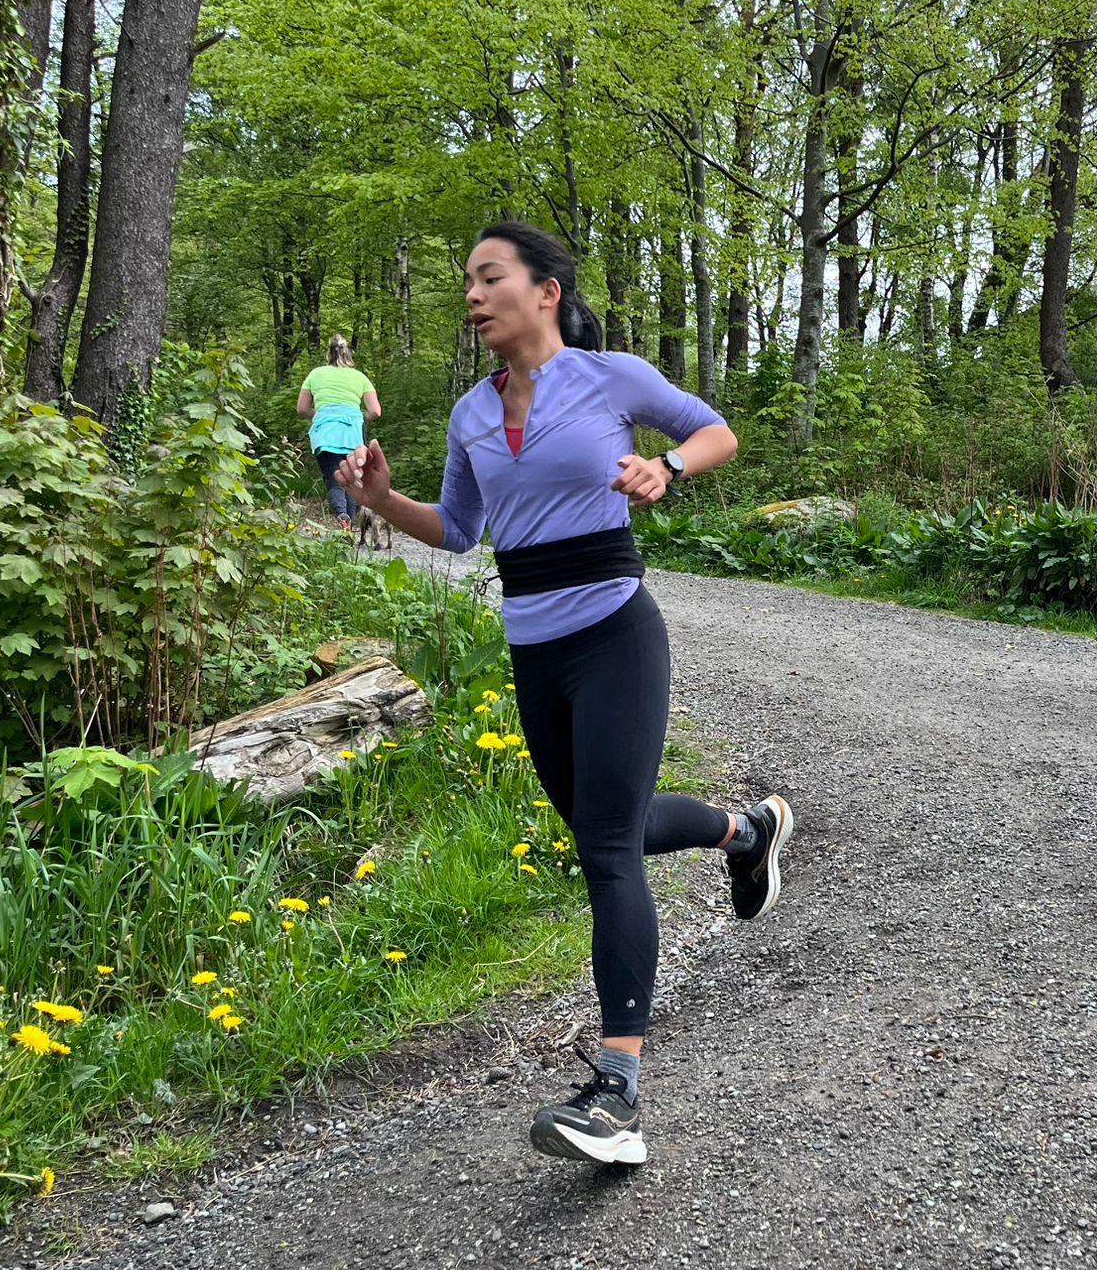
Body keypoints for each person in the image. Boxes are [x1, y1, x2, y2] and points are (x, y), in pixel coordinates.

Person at [335, 219, 792, 1168]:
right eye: (466, 278)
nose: (472, 292)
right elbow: (459, 529)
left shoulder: (608, 375)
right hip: (534, 648)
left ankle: (617, 1093)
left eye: (489, 275)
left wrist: (664, 466)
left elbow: (718, 431)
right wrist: (381, 499)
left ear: (544, 290)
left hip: (616, 631)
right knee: (600, 831)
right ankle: (743, 834)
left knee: (608, 854)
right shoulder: (468, 414)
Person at [297, 337, 382, 529]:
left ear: (329, 353)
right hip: (352, 433)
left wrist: (318, 414)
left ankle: (342, 516)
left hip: (324, 432)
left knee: (333, 478)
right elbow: (376, 411)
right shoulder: (360, 377)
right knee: (352, 479)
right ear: (349, 353)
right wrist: (359, 415)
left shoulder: (315, 374)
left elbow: (302, 409)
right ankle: (349, 530)